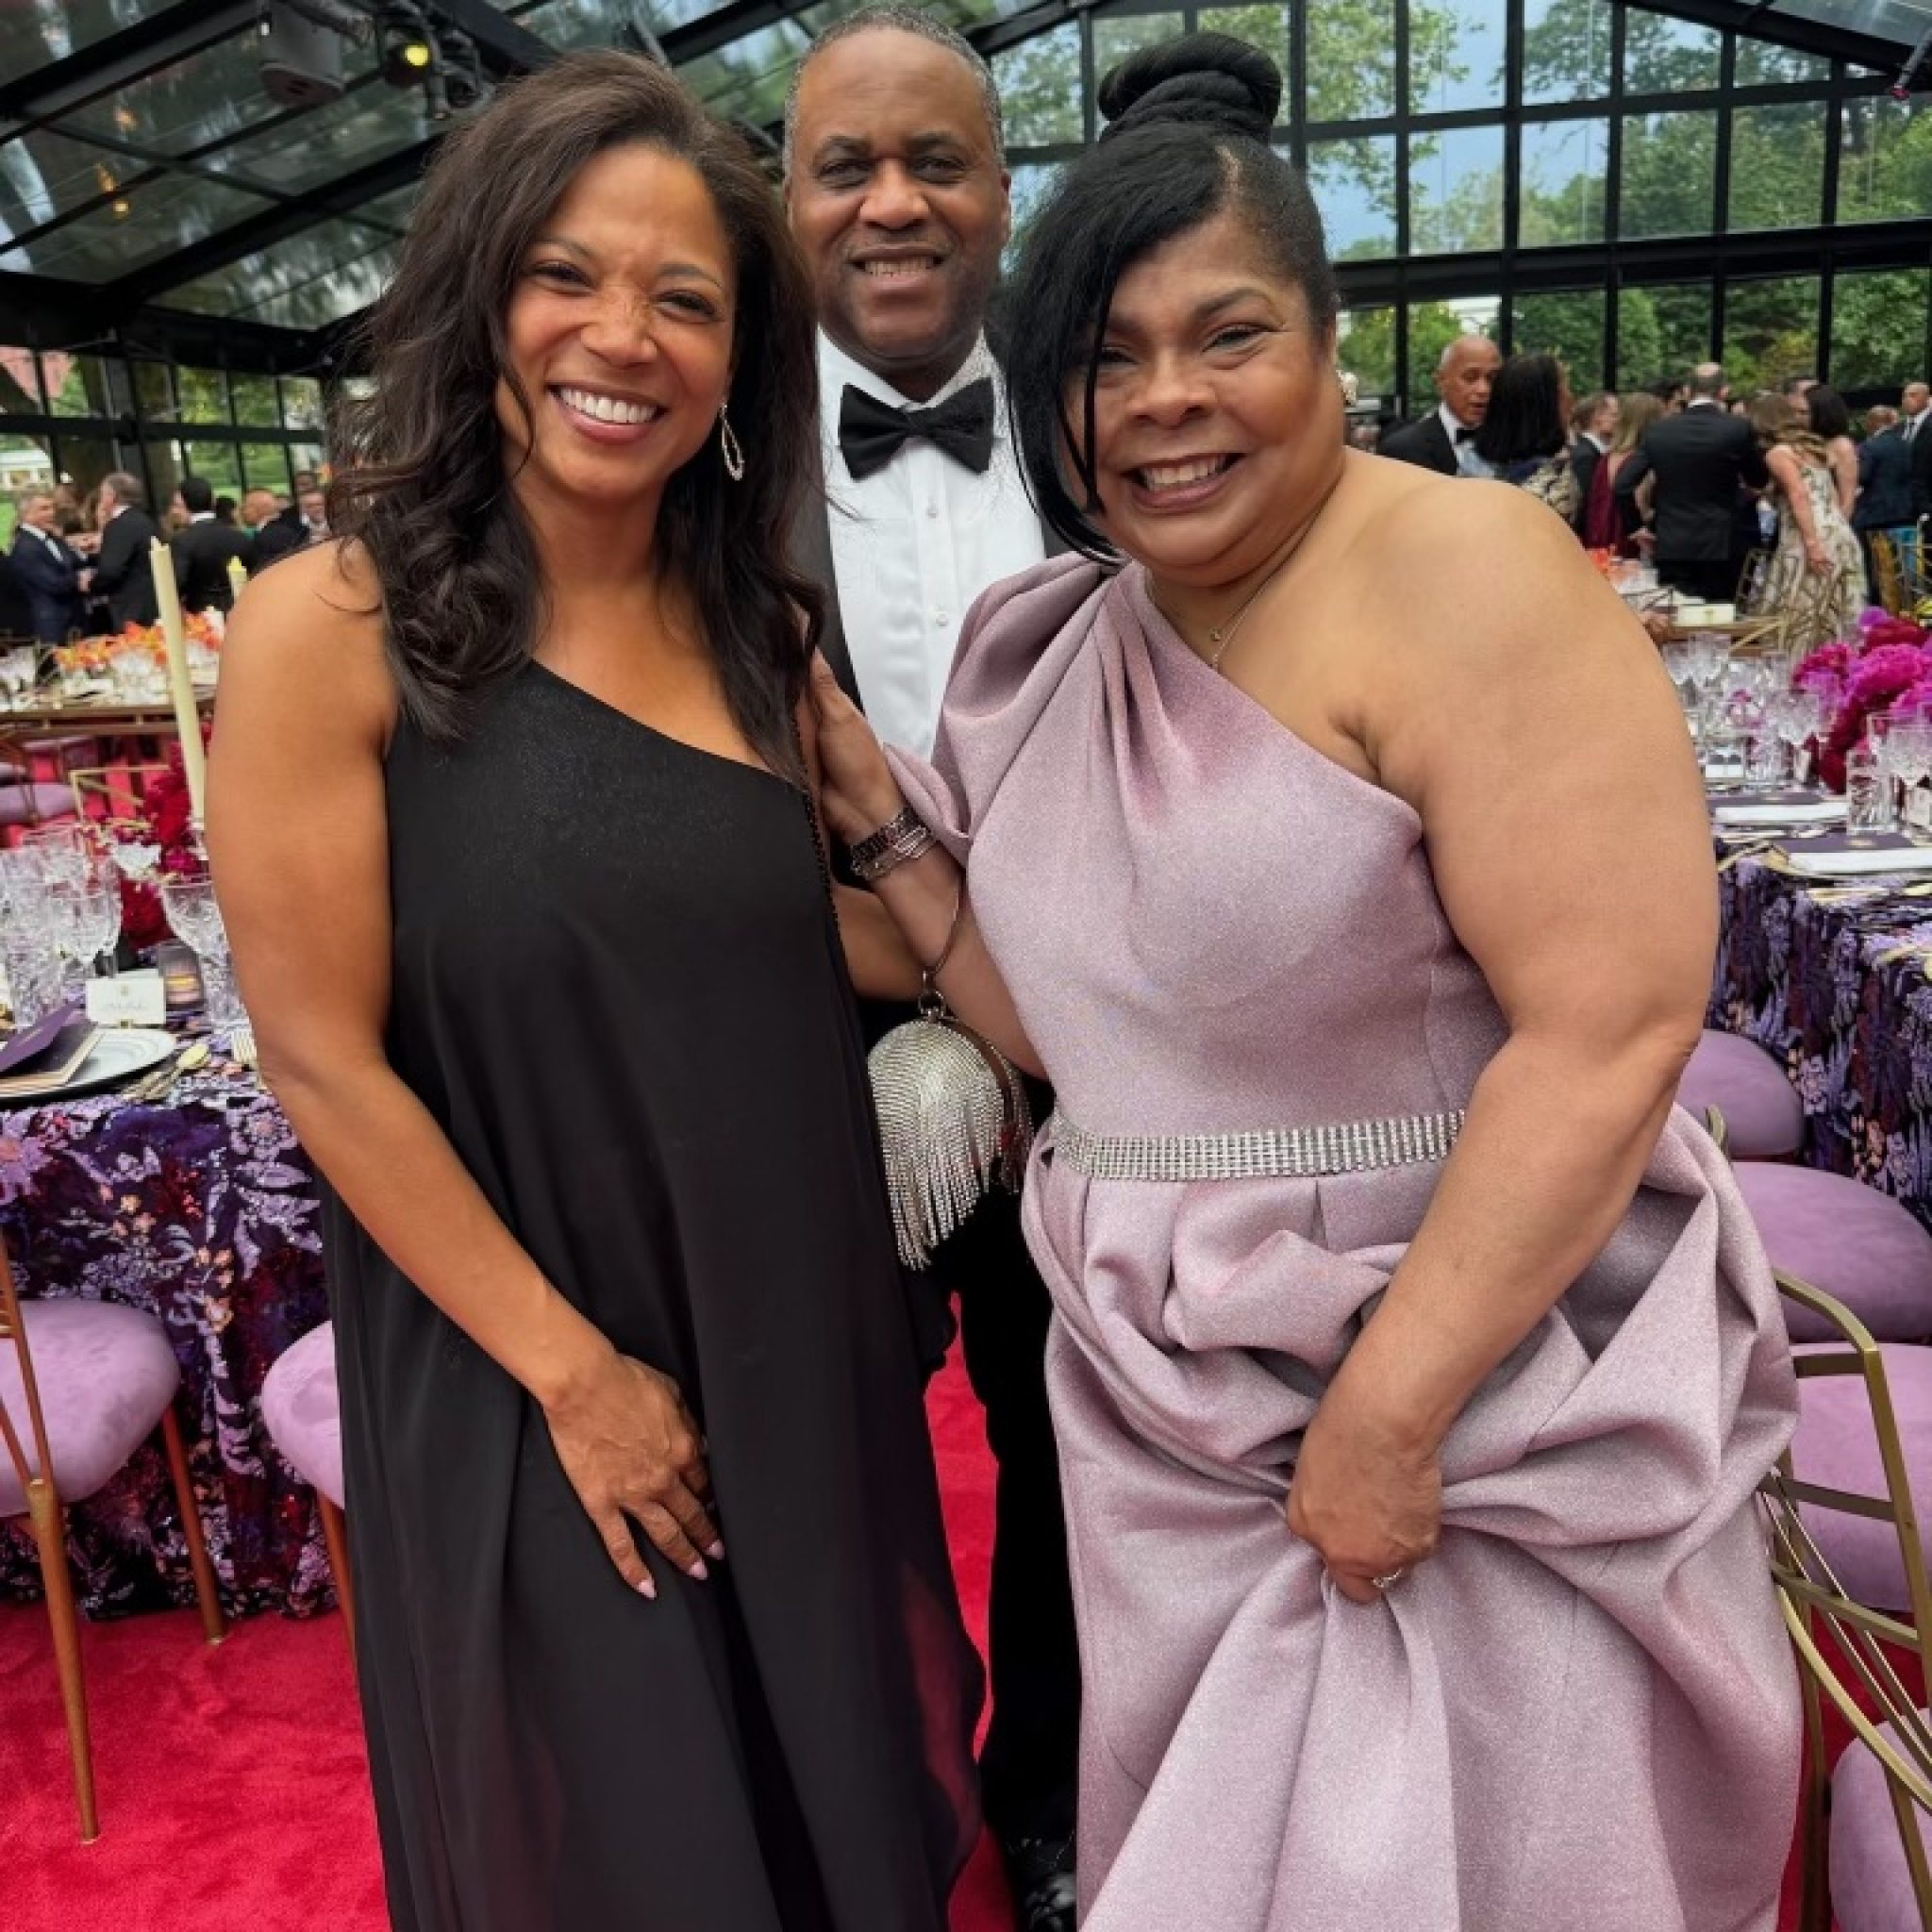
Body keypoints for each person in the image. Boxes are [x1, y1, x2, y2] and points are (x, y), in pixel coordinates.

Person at [805, 34, 1799, 1931]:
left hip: (1465, 1366)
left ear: (1335, 342)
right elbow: (1052, 1032)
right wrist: (877, 811)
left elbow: (1607, 1033)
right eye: (1103, 355)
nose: (1162, 402)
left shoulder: (1471, 578)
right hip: (1161, 1401)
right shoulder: (1047, 640)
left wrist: (1394, 1409)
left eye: (1228, 334)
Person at [208, 51, 981, 1931]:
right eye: (567, 273)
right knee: (619, 1847)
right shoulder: (336, 624)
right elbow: (321, 1059)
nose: (618, 336)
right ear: (482, 290)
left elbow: (865, 954)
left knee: (820, 1819)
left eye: (686, 298)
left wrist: (884, 823)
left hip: (785, 1325)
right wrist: (575, 1377)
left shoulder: (753, 623)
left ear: (739, 359)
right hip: (525, 1352)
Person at [782, 12, 1079, 1925]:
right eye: (842, 166)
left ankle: (1047, 1795)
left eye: (938, 162)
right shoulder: (692, 451)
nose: (892, 204)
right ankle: (828, 1810)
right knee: (809, 1453)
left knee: (1073, 1439)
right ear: (784, 197)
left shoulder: (1098, 414)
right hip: (786, 1043)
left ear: (999, 192)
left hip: (1077, 1049)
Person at [1613, 361, 1768, 603]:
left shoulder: (1659, 431)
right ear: (1723, 392)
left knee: (1675, 616)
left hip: (1672, 541)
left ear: (1687, 391)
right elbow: (1758, 478)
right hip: (1723, 541)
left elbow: (1622, 484)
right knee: (1720, 617)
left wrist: (1635, 527)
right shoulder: (1737, 429)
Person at [1750, 391, 1865, 650]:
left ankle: (1798, 670)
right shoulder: (1814, 448)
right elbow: (1831, 495)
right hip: (1836, 529)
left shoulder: (1778, 453)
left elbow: (1798, 494)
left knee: (1802, 609)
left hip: (1805, 533)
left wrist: (1811, 543)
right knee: (1834, 608)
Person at [1473, 353, 1577, 523]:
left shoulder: (1469, 466)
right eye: (1563, 390)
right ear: (1545, 407)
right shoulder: (1554, 481)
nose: (1571, 399)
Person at [1377, 333, 1500, 475]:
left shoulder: (1512, 445)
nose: (1483, 390)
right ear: (1441, 381)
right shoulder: (1401, 451)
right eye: (1470, 378)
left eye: (1492, 379)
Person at [1580, 389, 1660, 555]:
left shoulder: (1607, 457)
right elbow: (1640, 506)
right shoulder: (1638, 462)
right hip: (1630, 544)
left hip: (1601, 541)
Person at [1857, 403, 1918, 603]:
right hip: (1906, 513)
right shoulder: (1907, 445)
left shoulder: (1870, 447)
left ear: (1871, 423)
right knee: (1906, 569)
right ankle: (1907, 609)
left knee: (1879, 571)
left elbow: (1863, 477)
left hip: (1876, 515)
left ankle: (1882, 611)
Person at [8, 491, 86, 642]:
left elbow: (75, 562)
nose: (51, 513)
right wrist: (79, 579)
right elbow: (54, 584)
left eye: (52, 508)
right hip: (52, 627)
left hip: (73, 621)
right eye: (44, 509)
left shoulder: (52, 538)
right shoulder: (25, 548)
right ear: (26, 514)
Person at [170, 475, 254, 614]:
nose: (173, 511)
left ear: (183, 504)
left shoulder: (183, 541)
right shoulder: (239, 536)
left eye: (175, 505)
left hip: (201, 616)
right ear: (213, 501)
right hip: (241, 611)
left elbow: (178, 583)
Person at [89, 472, 161, 629]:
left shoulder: (119, 525)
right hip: (151, 603)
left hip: (130, 609)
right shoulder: (145, 520)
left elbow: (110, 570)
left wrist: (91, 585)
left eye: (102, 494)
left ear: (111, 496)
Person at [1803, 382, 1858, 519]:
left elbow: (1848, 500)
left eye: (1805, 411)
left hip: (1830, 525)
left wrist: (1837, 531)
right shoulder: (1805, 442)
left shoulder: (1842, 446)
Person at [1565, 389, 1616, 532]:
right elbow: (1586, 504)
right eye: (1614, 415)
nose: (1619, 420)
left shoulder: (1592, 453)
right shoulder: (1586, 456)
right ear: (1597, 417)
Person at [1901, 379, 1932, 524]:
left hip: (1926, 506)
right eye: (1904, 396)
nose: (1907, 400)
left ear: (1927, 398)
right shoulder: (1897, 429)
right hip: (1899, 508)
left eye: (1913, 395)